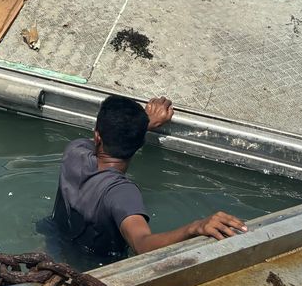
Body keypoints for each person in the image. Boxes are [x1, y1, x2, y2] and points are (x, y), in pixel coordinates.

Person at [52, 95, 247, 258]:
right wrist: (195, 227)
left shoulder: (75, 150)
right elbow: (142, 244)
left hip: (54, 241)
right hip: (95, 266)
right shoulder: (121, 193)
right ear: (140, 143)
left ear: (97, 136)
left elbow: (109, 139)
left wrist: (142, 124)